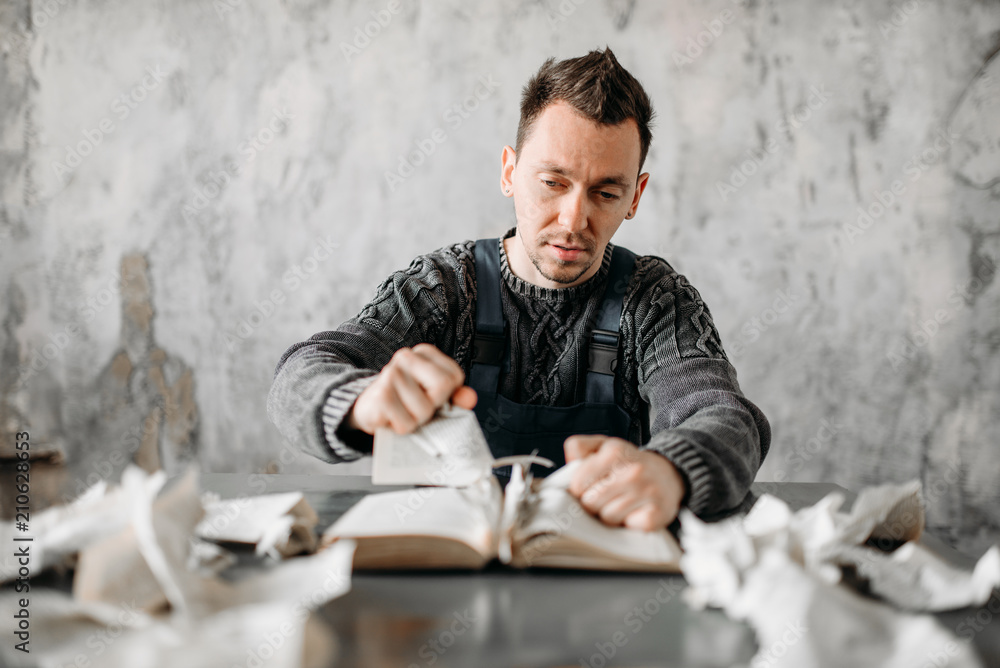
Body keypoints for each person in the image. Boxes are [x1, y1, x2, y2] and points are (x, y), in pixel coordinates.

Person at [267, 47, 770, 530]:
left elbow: (726, 417)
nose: (574, 220)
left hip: (603, 585)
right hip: (452, 577)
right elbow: (299, 376)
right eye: (553, 182)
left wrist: (674, 472)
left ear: (634, 197)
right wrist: (358, 401)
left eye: (606, 192)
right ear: (510, 172)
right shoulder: (442, 287)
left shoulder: (655, 300)